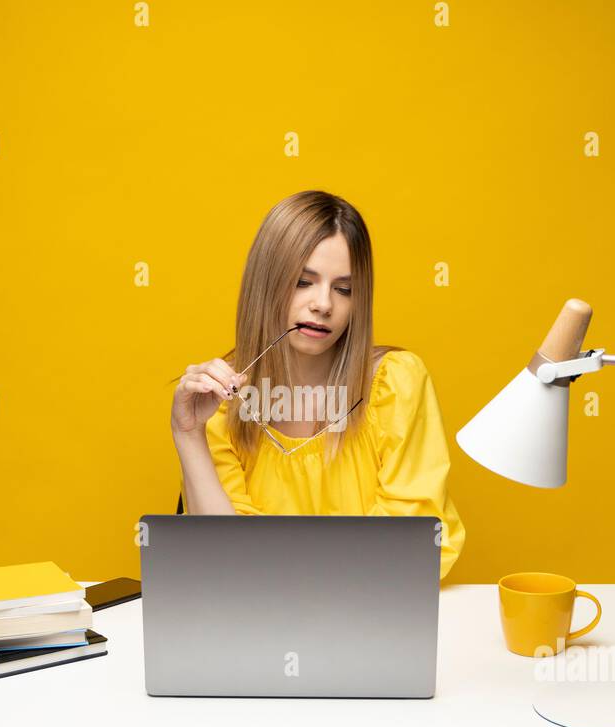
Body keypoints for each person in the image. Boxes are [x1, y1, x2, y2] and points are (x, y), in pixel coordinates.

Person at [169, 189, 466, 579]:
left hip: (371, 613)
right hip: (261, 619)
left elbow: (407, 546)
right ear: (266, 284)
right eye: (303, 282)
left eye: (344, 289)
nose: (323, 304)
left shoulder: (396, 382)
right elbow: (225, 562)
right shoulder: (220, 399)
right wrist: (188, 433)